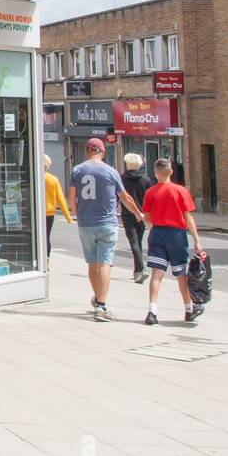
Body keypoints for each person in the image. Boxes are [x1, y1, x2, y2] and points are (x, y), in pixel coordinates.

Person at [68, 137, 144, 322]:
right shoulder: (111, 172)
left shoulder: (77, 170)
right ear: (102, 152)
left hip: (86, 224)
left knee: (92, 264)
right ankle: (101, 305)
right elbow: (124, 197)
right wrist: (138, 213)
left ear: (87, 151)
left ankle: (98, 299)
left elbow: (71, 198)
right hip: (106, 223)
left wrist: (79, 214)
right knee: (104, 263)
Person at [142, 157, 205, 325]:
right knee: (180, 274)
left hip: (157, 232)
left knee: (157, 273)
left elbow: (147, 217)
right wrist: (197, 241)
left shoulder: (150, 192)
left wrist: (152, 230)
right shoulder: (180, 191)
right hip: (176, 234)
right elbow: (188, 217)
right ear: (171, 172)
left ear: (155, 174)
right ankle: (188, 309)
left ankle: (152, 311)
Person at [120, 153, 153, 285]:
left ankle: (140, 269)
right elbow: (149, 199)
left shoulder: (121, 179)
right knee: (138, 241)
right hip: (142, 215)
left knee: (133, 241)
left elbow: (119, 197)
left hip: (128, 214)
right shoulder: (146, 181)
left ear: (127, 164)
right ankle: (137, 270)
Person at [42, 154, 71, 259]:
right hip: (49, 213)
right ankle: (47, 259)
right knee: (46, 237)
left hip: (36, 213)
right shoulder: (53, 179)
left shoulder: (35, 178)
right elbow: (61, 199)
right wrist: (68, 217)